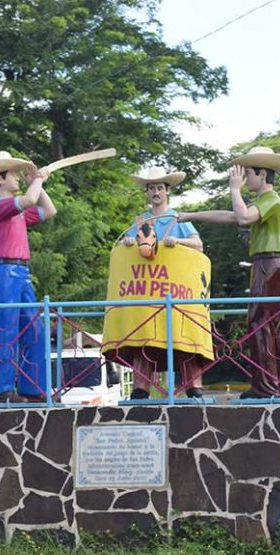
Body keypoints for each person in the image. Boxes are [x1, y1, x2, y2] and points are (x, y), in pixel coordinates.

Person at [178, 146, 280, 399]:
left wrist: (234, 189)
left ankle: (267, 387)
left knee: (260, 322)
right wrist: (190, 216)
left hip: (270, 262)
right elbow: (231, 215)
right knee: (267, 324)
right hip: (266, 263)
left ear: (262, 174)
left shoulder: (271, 200)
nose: (244, 178)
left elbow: (242, 218)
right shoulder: (263, 202)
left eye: (248, 173)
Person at [0, 150, 57, 403]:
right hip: (4, 271)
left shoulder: (17, 210)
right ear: (0, 179)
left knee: (34, 330)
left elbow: (49, 210)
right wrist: (37, 180)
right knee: (6, 329)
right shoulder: (0, 206)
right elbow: (30, 200)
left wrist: (37, 182)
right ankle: (0, 390)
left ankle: (32, 388)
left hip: (22, 272)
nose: (18, 179)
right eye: (13, 174)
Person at [123, 167, 206, 400]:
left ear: (167, 191)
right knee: (144, 336)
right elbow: (125, 245)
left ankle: (193, 386)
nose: (156, 192)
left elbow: (198, 244)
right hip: (148, 292)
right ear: (147, 193)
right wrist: (129, 242)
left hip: (177, 291)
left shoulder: (176, 218)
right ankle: (140, 387)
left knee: (184, 336)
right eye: (152, 188)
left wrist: (177, 240)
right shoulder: (141, 221)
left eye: (160, 187)